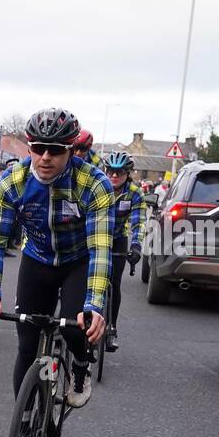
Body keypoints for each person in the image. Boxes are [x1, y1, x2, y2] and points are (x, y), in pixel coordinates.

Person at [0, 107, 111, 411]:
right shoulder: (13, 182)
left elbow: (101, 249)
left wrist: (95, 305)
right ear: (29, 147)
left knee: (75, 327)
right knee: (26, 345)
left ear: (71, 150)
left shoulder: (93, 184)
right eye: (38, 148)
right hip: (36, 260)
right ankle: (23, 428)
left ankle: (79, 363)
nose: (45, 157)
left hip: (78, 261)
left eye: (56, 150)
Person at [101, 151, 144, 352]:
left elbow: (138, 222)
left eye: (120, 172)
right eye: (111, 171)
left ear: (128, 174)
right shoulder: (98, 186)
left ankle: (111, 328)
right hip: (95, 237)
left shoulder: (135, 192)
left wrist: (136, 245)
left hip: (118, 239)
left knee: (114, 284)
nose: (114, 176)